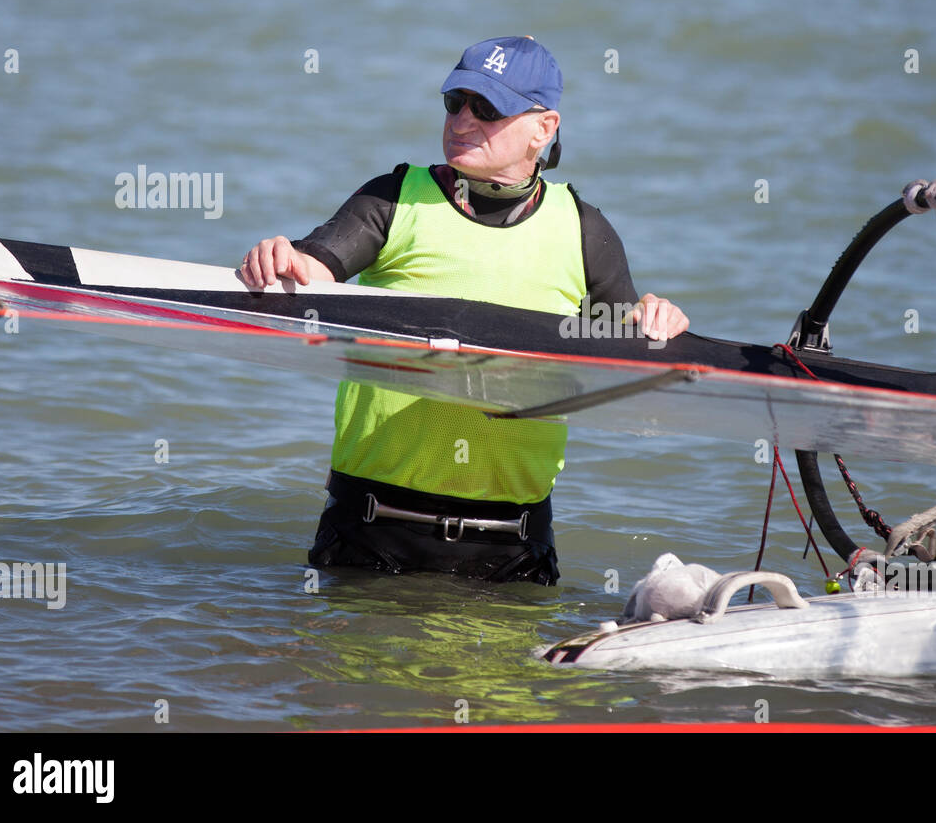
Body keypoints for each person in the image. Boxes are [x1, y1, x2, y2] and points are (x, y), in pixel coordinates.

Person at [238, 36, 689, 585]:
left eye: (488, 109)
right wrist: (281, 258)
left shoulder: (583, 229)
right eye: (455, 102)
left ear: (543, 129)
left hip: (512, 549)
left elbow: (625, 349)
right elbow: (312, 273)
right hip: (372, 530)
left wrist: (656, 317)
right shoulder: (395, 198)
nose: (462, 121)